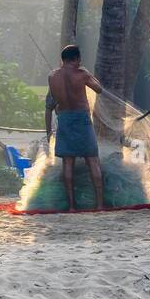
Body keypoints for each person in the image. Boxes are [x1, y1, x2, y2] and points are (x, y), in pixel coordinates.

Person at [46, 44, 105, 211]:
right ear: (77, 59)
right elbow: (99, 89)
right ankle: (99, 205)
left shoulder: (52, 76)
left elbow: (54, 102)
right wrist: (87, 74)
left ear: (62, 60)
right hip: (81, 119)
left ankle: (72, 206)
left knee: (67, 162)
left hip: (64, 118)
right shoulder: (82, 74)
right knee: (92, 160)